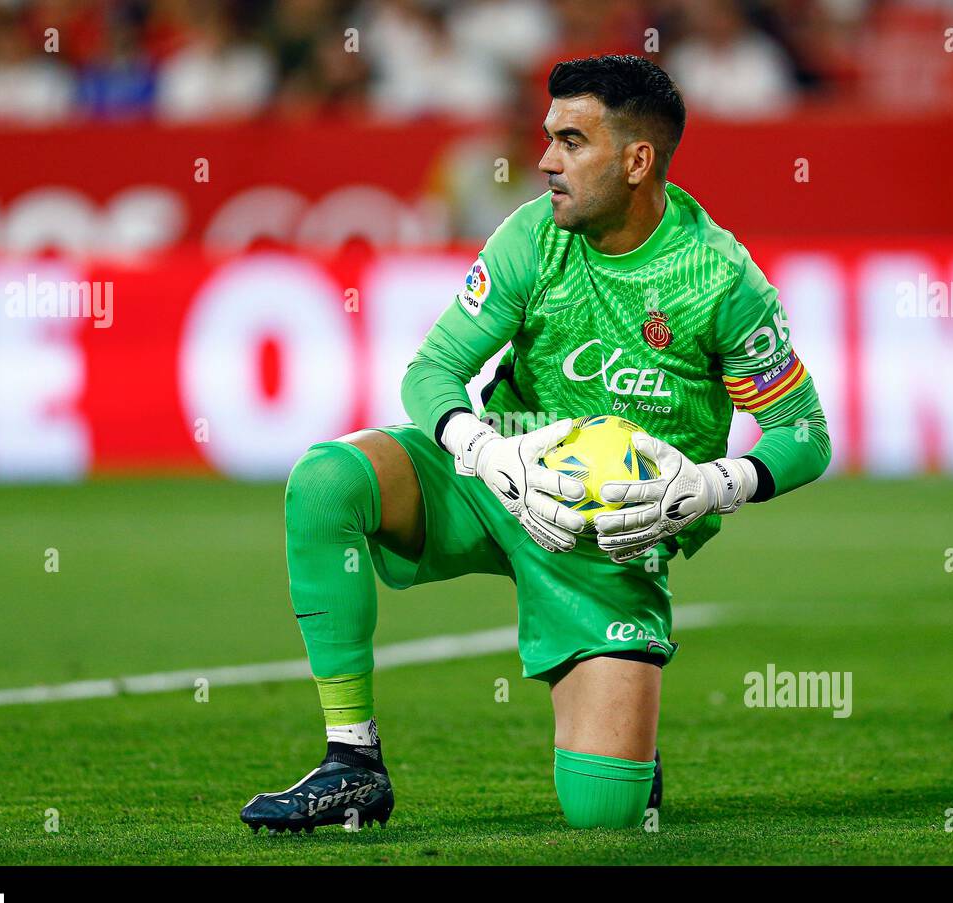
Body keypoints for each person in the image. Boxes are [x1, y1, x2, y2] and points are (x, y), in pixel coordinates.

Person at [242, 54, 831, 833]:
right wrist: (484, 450)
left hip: (612, 534)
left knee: (603, 815)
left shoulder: (719, 280)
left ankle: (629, 747)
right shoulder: (532, 236)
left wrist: (716, 485)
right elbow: (433, 371)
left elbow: (805, 433)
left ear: (637, 160)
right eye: (548, 137)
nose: (546, 160)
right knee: (326, 480)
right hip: (498, 478)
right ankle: (352, 761)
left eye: (571, 141)